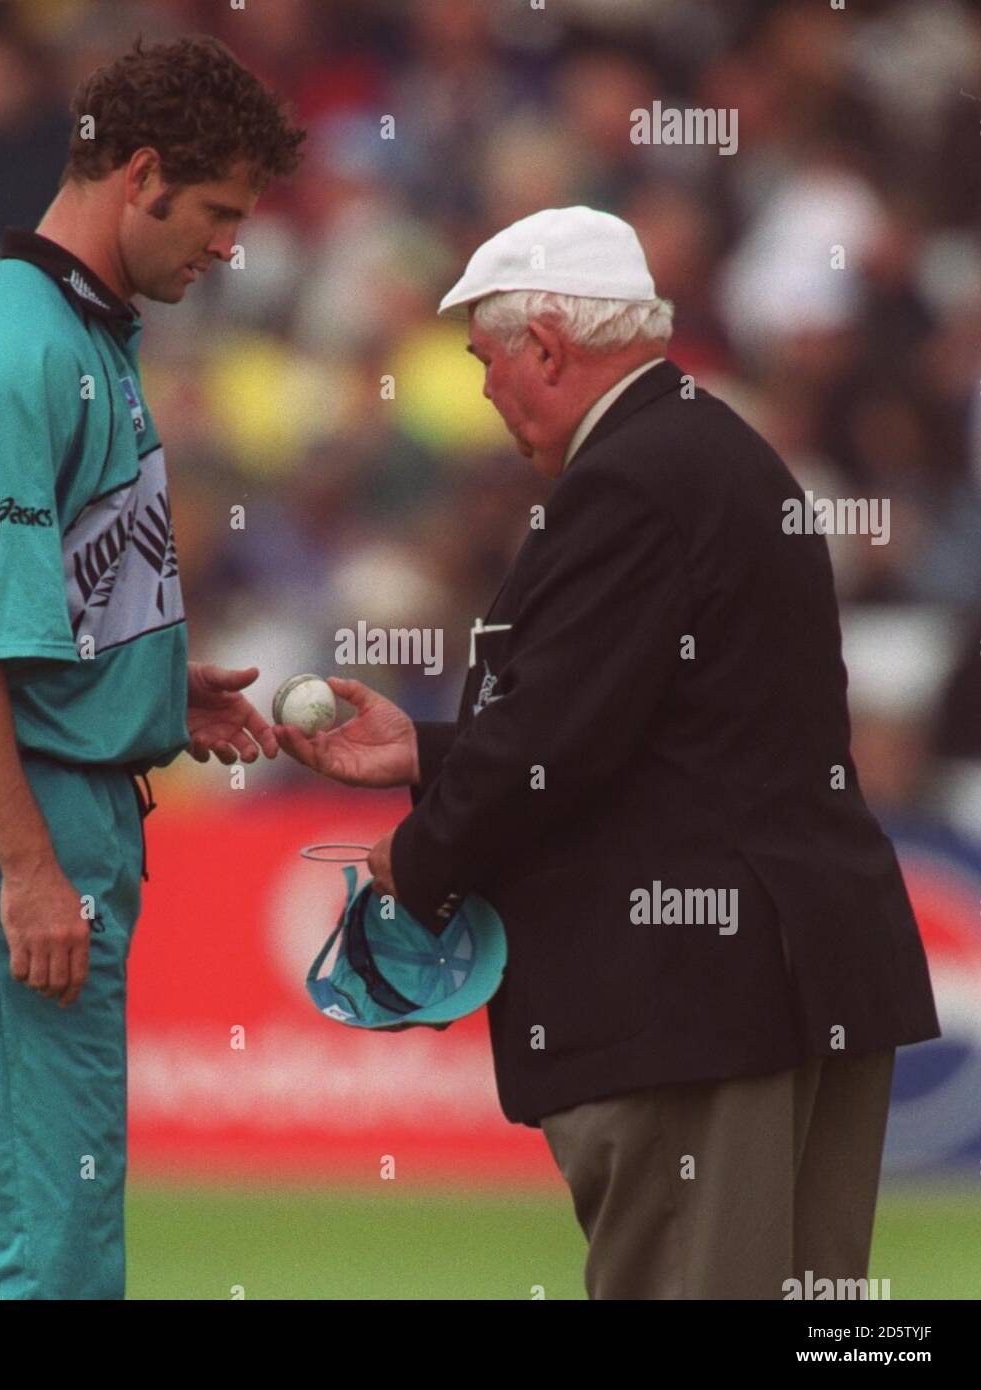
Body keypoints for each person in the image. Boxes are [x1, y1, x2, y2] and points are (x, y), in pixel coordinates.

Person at [274, 206, 941, 1300]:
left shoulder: (630, 479)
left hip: (695, 1002)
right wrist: (427, 750)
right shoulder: (717, 448)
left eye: (488, 361)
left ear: (547, 343)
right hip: (791, 969)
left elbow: (559, 739)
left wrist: (421, 856)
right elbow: (658, 728)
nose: (486, 392)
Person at [0, 36, 304, 1300]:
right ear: (143, 175)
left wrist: (152, 686)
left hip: (26, 801)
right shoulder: (20, 353)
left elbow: (31, 612)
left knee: (23, 1254)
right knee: (46, 1268)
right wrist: (32, 867)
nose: (229, 246)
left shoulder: (78, 330)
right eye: (218, 212)